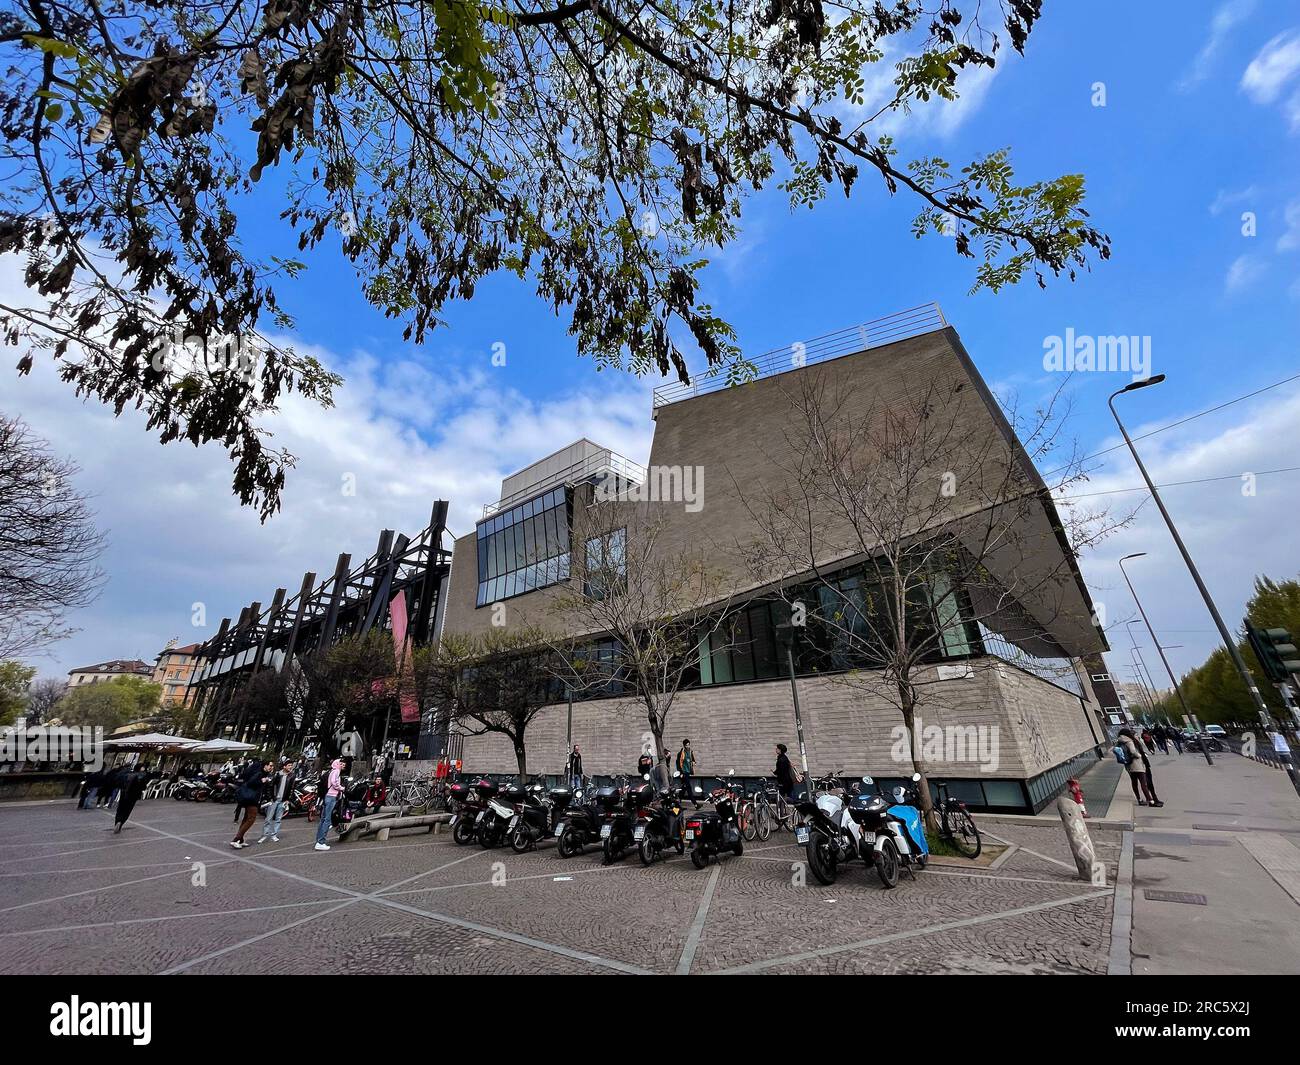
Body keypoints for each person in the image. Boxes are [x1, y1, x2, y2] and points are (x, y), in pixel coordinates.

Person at [230, 759, 272, 849]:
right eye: (270, 765)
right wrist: (262, 781)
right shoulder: (259, 773)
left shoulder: (262, 773)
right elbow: (251, 782)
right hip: (251, 799)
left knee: (246, 819)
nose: (271, 768)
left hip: (251, 798)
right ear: (265, 765)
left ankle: (240, 840)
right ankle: (236, 839)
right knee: (251, 819)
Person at [1116, 728, 1162, 807]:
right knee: (1143, 783)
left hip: (1128, 765)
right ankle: (1151, 801)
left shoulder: (1119, 742)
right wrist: (1139, 755)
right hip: (1137, 764)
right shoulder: (1129, 741)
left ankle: (1139, 799)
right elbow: (1133, 751)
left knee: (1134, 783)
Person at [256, 759, 296, 844]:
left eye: (291, 765)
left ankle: (274, 835)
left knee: (278, 819)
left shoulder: (292, 776)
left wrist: (288, 800)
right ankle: (264, 835)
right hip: (274, 800)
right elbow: (270, 786)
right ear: (284, 766)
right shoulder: (277, 774)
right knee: (268, 819)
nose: (290, 767)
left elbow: (291, 789)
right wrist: (270, 797)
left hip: (283, 800)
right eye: (289, 765)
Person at [315, 757, 345, 852]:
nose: (342, 765)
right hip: (331, 796)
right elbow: (334, 783)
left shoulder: (331, 771)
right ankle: (321, 842)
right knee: (327, 819)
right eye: (340, 763)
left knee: (323, 819)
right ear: (336, 764)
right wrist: (341, 788)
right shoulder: (336, 771)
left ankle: (319, 840)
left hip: (327, 796)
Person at [112, 768, 148, 834]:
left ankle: (117, 822)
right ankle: (121, 823)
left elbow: (120, 782)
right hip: (133, 795)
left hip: (124, 793)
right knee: (127, 810)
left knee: (120, 809)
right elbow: (144, 787)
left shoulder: (127, 774)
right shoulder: (140, 776)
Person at [675, 739, 696, 804]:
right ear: (684, 745)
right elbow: (678, 763)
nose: (688, 746)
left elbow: (693, 760)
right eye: (686, 745)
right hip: (683, 773)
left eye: (689, 745)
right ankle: (695, 803)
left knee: (684, 787)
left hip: (688, 772)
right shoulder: (680, 753)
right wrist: (680, 772)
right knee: (688, 787)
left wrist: (693, 762)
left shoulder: (690, 752)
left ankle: (678, 799)